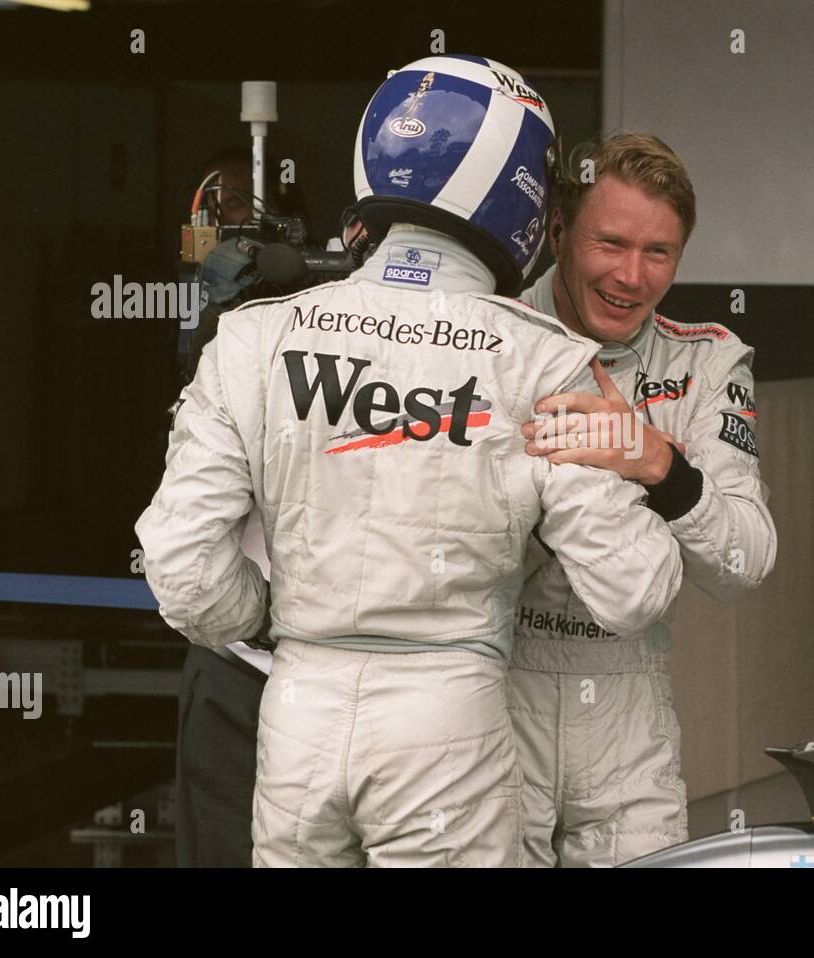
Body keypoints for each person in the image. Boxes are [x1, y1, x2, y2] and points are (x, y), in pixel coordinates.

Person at [137, 57, 684, 867]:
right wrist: (653, 465)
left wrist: (274, 621)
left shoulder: (253, 338)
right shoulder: (545, 362)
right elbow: (635, 590)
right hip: (448, 726)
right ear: (523, 197)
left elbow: (179, 567)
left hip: (298, 719)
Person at [506, 132, 778, 867]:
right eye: (611, 242)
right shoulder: (483, 337)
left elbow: (745, 561)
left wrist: (659, 463)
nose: (631, 275)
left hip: (627, 698)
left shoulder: (706, 359)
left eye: (659, 252)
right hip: (493, 684)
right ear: (558, 230)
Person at [172, 201, 369, 868]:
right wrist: (220, 330)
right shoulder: (229, 352)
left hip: (370, 682)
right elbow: (188, 537)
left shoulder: (417, 346)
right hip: (243, 674)